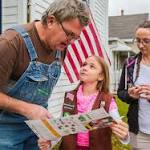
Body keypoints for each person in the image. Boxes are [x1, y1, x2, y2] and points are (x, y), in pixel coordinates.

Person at [0, 0, 90, 149]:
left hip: (36, 130)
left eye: (76, 37)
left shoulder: (60, 47)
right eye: (69, 34)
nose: (71, 42)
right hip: (5, 132)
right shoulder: (11, 43)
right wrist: (28, 109)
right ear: (50, 21)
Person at [38, 55, 129, 150]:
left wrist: (123, 134)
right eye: (84, 65)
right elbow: (62, 127)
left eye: (92, 66)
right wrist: (49, 143)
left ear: (101, 76)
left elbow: (118, 126)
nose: (85, 68)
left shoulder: (107, 100)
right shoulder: (69, 97)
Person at [117, 20, 150, 150]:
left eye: (146, 41)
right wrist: (130, 95)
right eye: (138, 40)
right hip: (138, 130)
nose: (140, 46)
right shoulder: (130, 64)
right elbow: (121, 92)